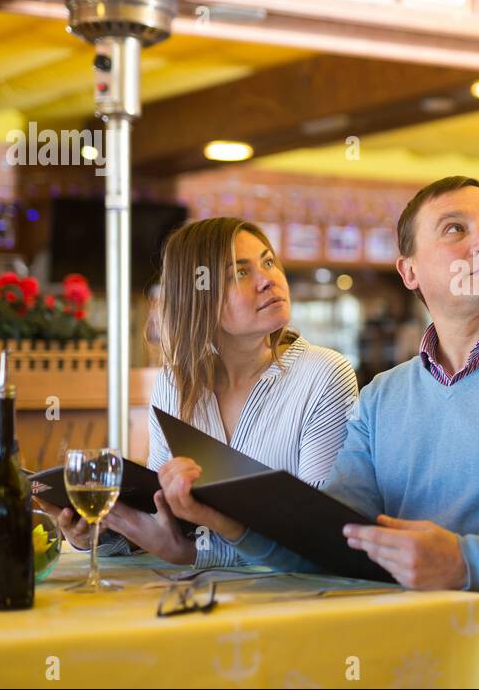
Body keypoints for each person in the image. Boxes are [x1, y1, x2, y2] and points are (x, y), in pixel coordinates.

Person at [158, 177, 479, 688]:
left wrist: (464, 562)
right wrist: (230, 521)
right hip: (417, 645)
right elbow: (333, 538)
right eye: (456, 229)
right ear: (409, 271)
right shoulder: (381, 397)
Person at [36, 218, 357, 567]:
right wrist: (94, 536)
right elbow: (163, 522)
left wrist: (195, 552)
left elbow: (319, 538)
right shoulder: (175, 384)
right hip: (198, 597)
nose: (268, 280)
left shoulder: (323, 374)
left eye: (268, 262)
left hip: (293, 604)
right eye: (240, 272)